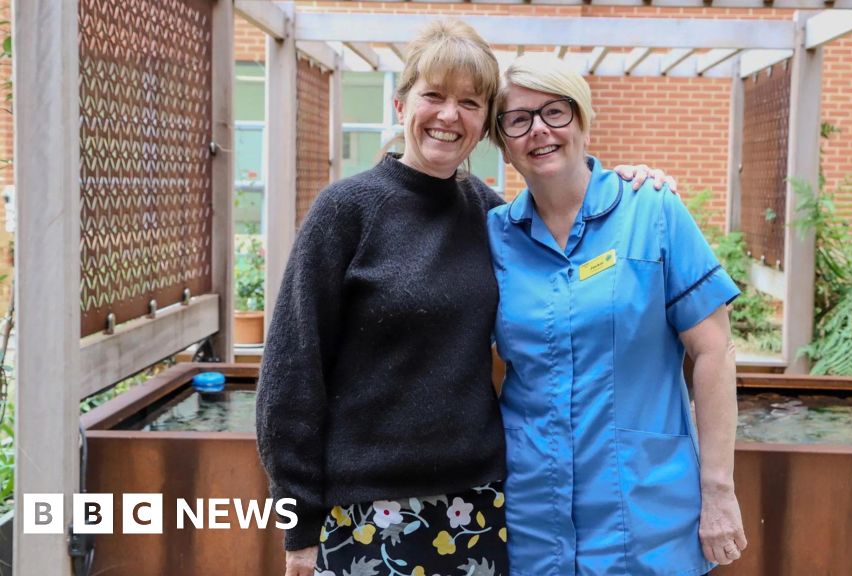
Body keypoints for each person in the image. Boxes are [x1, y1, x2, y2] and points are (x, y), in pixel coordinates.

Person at [256, 21, 676, 576]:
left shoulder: (492, 217)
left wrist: (629, 186)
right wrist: (299, 523)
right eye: (434, 95)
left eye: (470, 102)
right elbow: (291, 374)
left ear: (484, 127)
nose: (449, 115)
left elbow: (574, 243)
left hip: (476, 506)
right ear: (401, 105)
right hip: (363, 511)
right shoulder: (345, 212)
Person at [486, 53, 748, 575]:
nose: (539, 130)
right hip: (532, 513)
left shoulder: (652, 211)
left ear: (582, 120)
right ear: (504, 144)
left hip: (647, 512)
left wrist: (719, 490)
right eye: (518, 119)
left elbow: (714, 351)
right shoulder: (493, 236)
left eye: (555, 111)